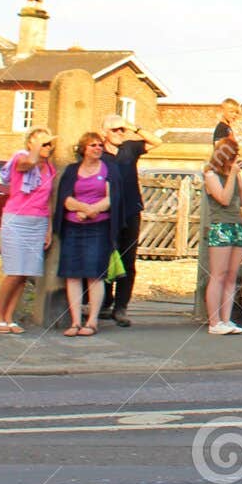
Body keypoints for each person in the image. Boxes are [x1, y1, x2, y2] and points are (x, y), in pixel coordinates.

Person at [51, 132, 122, 338]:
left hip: (98, 227)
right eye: (93, 145)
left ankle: (92, 321)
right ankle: (75, 321)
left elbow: (112, 198)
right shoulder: (73, 170)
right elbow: (65, 198)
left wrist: (92, 211)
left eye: (100, 145)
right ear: (83, 149)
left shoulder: (109, 169)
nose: (98, 148)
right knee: (72, 274)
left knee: (94, 273)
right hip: (73, 226)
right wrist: (82, 208)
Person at [0, 128, 57, 334]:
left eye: (49, 144)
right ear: (30, 144)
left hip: (38, 221)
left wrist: (48, 228)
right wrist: (37, 146)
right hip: (17, 220)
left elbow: (49, 200)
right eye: (42, 143)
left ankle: (10, 317)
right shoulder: (21, 158)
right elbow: (27, 165)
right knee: (14, 271)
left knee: (25, 274)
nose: (47, 147)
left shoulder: (50, 168)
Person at [99, 114, 161, 328]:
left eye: (121, 130)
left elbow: (157, 142)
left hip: (130, 210)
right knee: (106, 258)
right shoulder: (99, 153)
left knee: (127, 259)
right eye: (114, 130)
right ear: (104, 132)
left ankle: (121, 306)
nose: (119, 133)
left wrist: (132, 126)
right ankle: (104, 303)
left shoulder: (130, 148)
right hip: (106, 212)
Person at [203, 136, 242, 336]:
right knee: (218, 274)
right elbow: (223, 198)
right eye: (233, 156)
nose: (235, 160)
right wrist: (232, 174)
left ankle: (226, 318)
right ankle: (214, 321)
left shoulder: (235, 174)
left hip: (238, 224)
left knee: (231, 276)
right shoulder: (211, 175)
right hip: (221, 225)